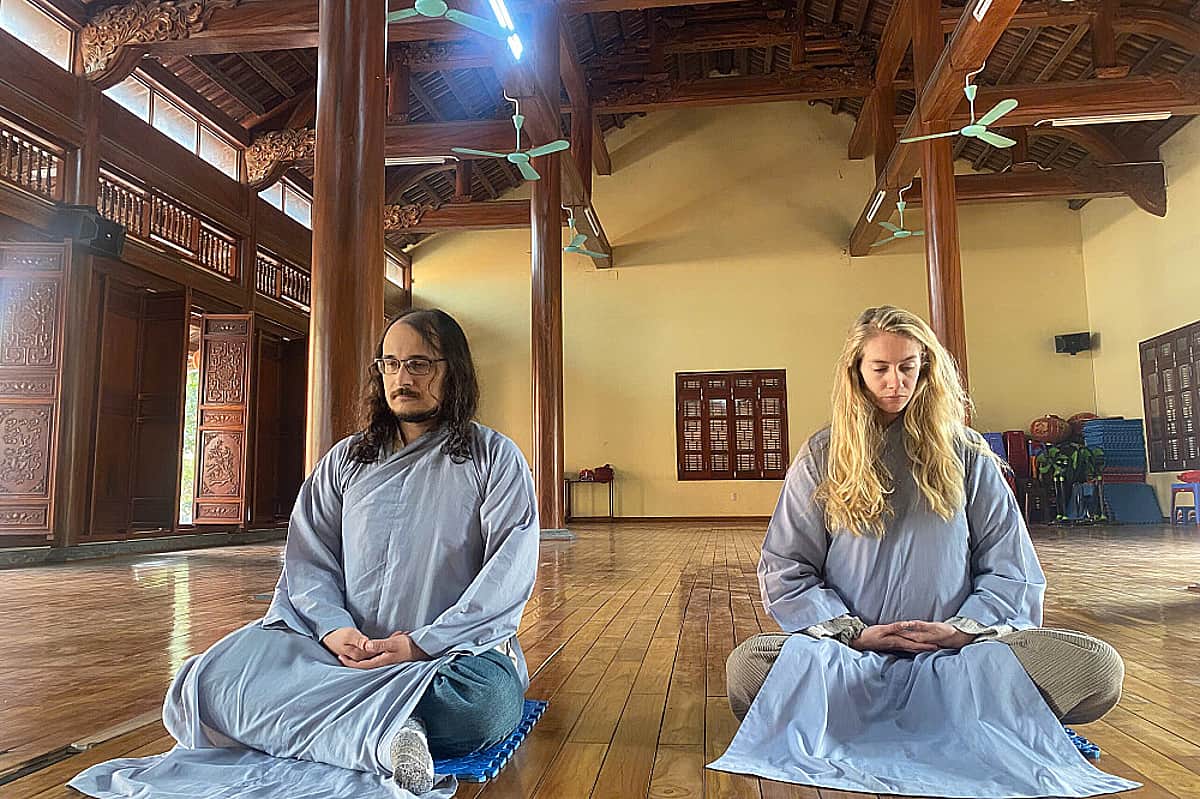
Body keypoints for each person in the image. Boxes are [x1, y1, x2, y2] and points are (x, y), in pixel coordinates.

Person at [72, 308, 540, 799]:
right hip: (340, 652)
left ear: (454, 370)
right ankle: (394, 731)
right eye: (391, 364)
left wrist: (419, 645)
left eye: (420, 364)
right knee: (212, 678)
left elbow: (507, 572)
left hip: (444, 656)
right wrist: (337, 631)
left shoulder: (493, 458)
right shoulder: (345, 461)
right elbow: (308, 563)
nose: (402, 378)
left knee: (484, 706)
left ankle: (380, 726)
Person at [711, 306, 1138, 798]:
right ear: (856, 372)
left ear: (926, 368)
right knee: (747, 667)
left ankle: (899, 716)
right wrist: (856, 634)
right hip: (850, 656)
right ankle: (952, 720)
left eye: (908, 366)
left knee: (1097, 667)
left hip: (958, 659)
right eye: (881, 368)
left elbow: (1010, 570)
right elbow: (788, 567)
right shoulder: (823, 455)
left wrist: (958, 632)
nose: (896, 381)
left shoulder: (969, 454)